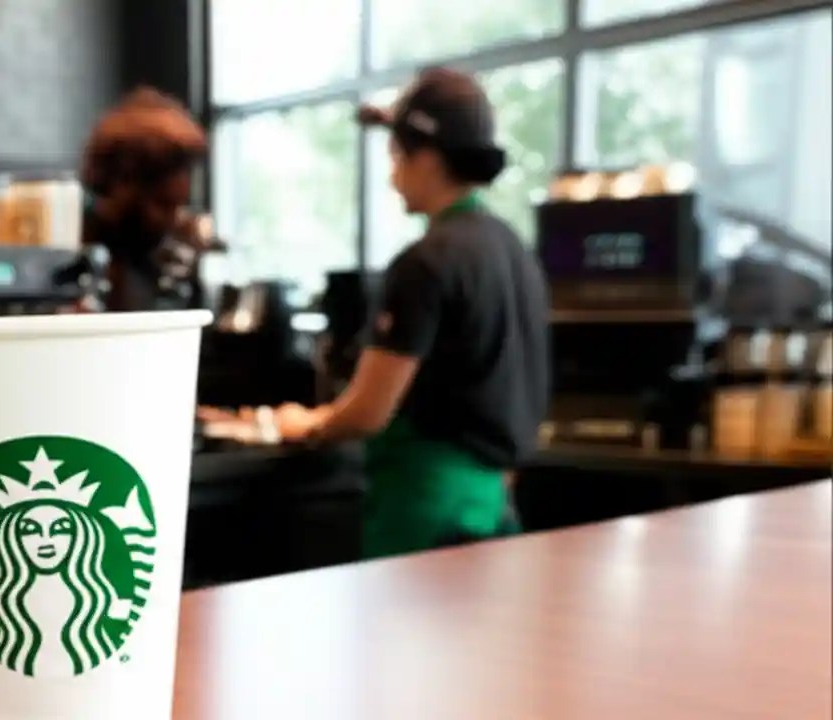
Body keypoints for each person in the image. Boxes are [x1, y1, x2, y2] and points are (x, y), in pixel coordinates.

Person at [271, 67, 550, 559]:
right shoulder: (513, 249)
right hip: (496, 504)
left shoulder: (426, 261)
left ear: (427, 158)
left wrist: (303, 424)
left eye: (397, 157)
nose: (392, 175)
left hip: (427, 508)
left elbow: (367, 412)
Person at [79, 87, 211, 312]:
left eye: (179, 206)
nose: (172, 219)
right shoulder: (77, 264)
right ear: (120, 186)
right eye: (164, 205)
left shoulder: (164, 256)